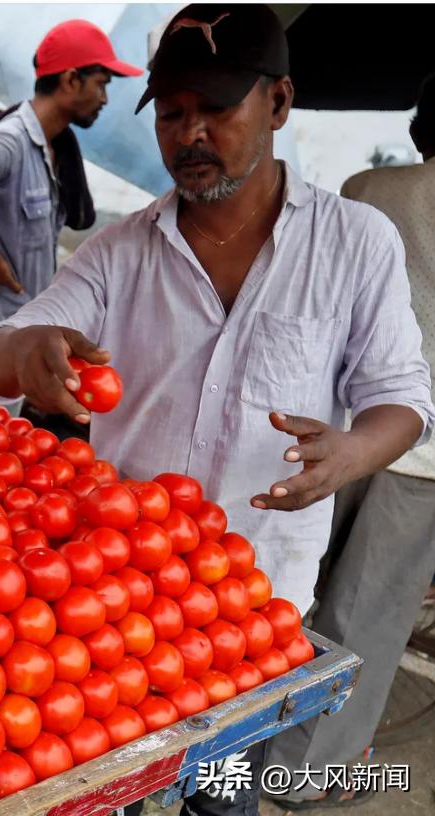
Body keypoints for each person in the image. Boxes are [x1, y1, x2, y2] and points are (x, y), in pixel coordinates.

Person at [0, 7, 434, 814]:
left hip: (249, 610)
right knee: (101, 784)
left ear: (280, 102)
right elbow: (1, 345)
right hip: (108, 599)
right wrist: (31, 351)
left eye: (217, 109)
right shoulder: (120, 252)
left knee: (220, 794)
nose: (191, 133)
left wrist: (352, 454)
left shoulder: (357, 241)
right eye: (174, 112)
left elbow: (402, 398)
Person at [263, 72, 435, 810]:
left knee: (290, 590)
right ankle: (306, 774)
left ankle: (236, 737)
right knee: (366, 615)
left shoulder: (373, 190)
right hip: (423, 456)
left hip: (335, 430)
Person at [0, 19, 142, 407]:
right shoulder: (10, 140)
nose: (104, 99)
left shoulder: (50, 148)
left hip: (20, 340)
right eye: (101, 83)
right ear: (70, 80)